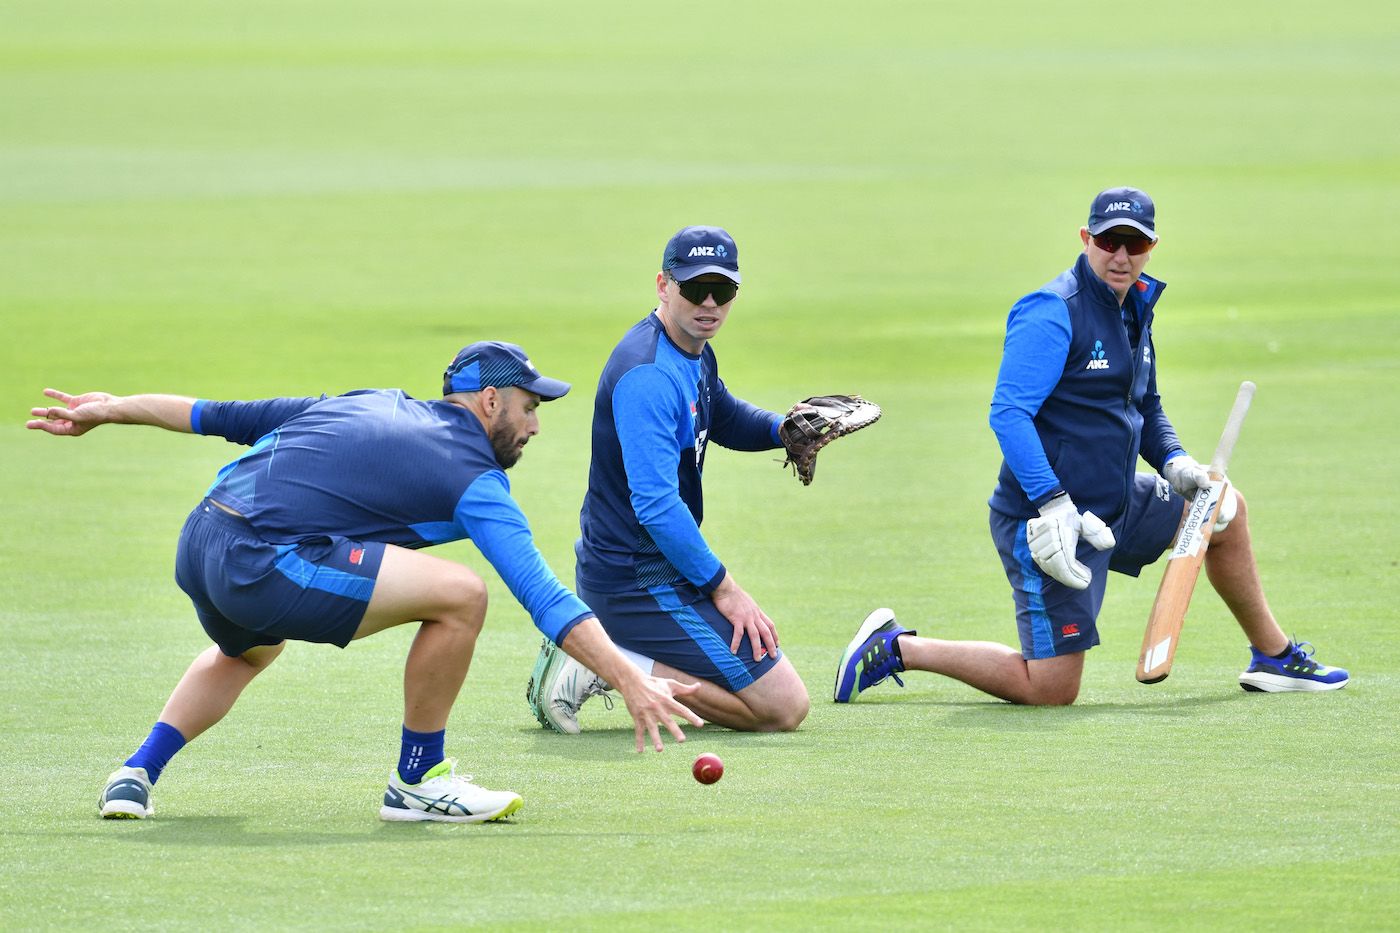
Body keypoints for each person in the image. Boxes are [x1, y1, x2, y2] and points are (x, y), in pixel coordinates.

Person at [27, 341, 702, 823]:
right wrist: (628, 676)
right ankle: (419, 778)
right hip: (261, 559)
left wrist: (112, 408)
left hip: (200, 538)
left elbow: (215, 413)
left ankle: (136, 771)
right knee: (464, 595)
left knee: (249, 650)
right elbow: (544, 595)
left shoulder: (367, 402)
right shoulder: (472, 475)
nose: (534, 424)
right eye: (528, 406)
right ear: (490, 400)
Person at [834, 187, 1349, 705]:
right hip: (1046, 522)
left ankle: (1273, 657)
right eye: (1108, 241)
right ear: (1086, 239)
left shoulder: (1136, 306)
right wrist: (1053, 502)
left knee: (1225, 511)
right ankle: (897, 647)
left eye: (1134, 243)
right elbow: (1009, 415)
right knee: (1052, 690)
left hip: (1117, 502)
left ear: (1152, 247)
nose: (1120, 256)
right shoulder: (1051, 311)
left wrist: (1175, 461)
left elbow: (1144, 404)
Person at [525, 225, 811, 734]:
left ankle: (610, 654)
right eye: (693, 288)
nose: (709, 303)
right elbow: (656, 505)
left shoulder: (691, 349)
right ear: (663, 285)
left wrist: (782, 431)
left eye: (722, 291)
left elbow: (718, 413)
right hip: (636, 581)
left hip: (665, 569)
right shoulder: (649, 375)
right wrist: (726, 588)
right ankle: (604, 660)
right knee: (781, 707)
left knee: (778, 700)